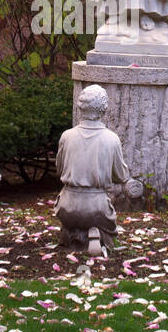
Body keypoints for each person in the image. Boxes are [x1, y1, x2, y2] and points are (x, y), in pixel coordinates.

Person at [54, 85, 140, 254]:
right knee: (102, 217)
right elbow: (120, 175)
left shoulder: (66, 136)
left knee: (71, 216)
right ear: (104, 108)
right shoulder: (111, 139)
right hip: (96, 207)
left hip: (67, 206)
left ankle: (73, 233)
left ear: (80, 107)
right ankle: (96, 233)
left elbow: (60, 169)